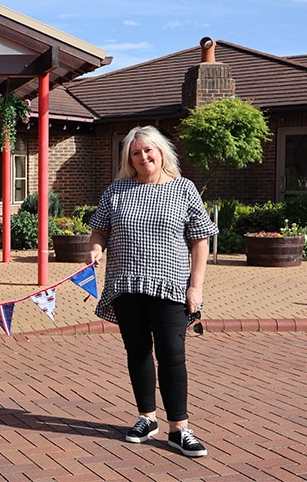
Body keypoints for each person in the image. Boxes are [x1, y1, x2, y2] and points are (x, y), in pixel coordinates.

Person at [86, 125, 218, 457]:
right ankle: (146, 418)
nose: (143, 157)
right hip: (127, 286)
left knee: (172, 357)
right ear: (128, 159)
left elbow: (200, 240)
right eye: (136, 152)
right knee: (138, 353)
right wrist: (95, 249)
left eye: (148, 150)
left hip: (172, 287)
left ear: (161, 152)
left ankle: (179, 429)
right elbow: (99, 231)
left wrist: (196, 287)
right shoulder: (117, 190)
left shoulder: (183, 189)